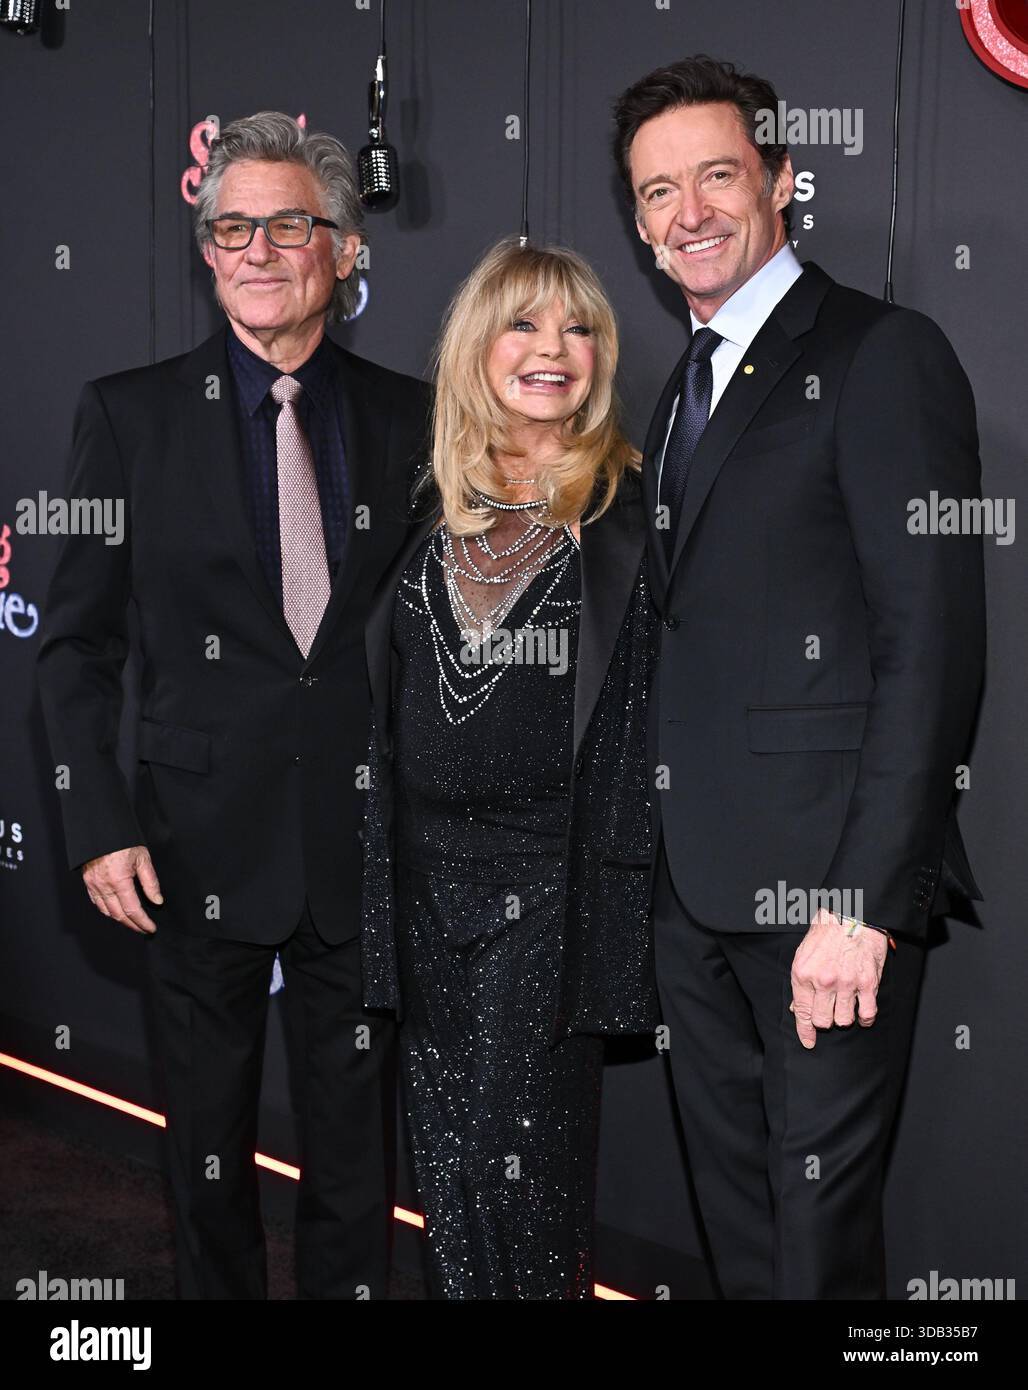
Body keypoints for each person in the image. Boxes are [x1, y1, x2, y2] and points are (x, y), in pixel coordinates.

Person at [36, 111, 431, 1299]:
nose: (255, 250)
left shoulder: (412, 418)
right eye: (229, 228)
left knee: (357, 1157)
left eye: (287, 225)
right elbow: (74, 645)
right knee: (205, 1156)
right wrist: (99, 821)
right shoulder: (129, 414)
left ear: (344, 250)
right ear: (204, 250)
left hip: (361, 849)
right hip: (187, 849)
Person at [612, 56, 985, 1299]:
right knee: (741, 1229)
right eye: (656, 193)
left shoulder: (881, 352)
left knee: (816, 1249)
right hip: (691, 894)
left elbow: (928, 642)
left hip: (822, 904)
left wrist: (863, 903)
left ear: (781, 179)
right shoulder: (682, 382)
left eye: (716, 175)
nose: (688, 213)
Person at [359, 238, 659, 1299]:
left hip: (548, 893)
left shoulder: (626, 502)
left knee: (515, 1168)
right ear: (475, 347)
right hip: (420, 889)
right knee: (445, 1169)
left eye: (579, 328)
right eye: (525, 324)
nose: (554, 349)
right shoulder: (424, 498)